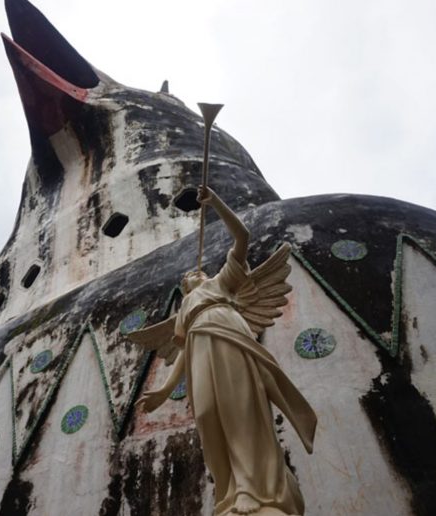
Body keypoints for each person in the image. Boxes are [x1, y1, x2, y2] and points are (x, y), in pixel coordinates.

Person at [134, 186, 316, 516]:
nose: (192, 274)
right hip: (201, 346)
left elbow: (242, 238)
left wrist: (214, 201)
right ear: (183, 287)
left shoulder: (220, 285)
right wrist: (163, 389)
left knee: (240, 411)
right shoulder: (186, 308)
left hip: (228, 338)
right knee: (207, 415)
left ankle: (254, 489)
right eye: (188, 275)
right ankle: (228, 492)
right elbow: (185, 351)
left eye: (197, 271)